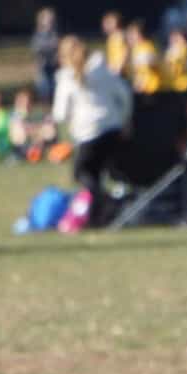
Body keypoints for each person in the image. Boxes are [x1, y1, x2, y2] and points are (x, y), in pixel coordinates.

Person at [43, 34, 134, 228]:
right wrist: (124, 119)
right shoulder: (103, 69)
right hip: (112, 129)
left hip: (89, 133)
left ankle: (106, 203)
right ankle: (98, 218)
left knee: (80, 174)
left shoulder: (67, 78)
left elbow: (60, 113)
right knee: (96, 174)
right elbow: (124, 94)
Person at [30, 7, 61, 102]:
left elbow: (59, 47)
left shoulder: (56, 34)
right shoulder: (38, 35)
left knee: (56, 93)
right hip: (43, 69)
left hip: (55, 68)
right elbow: (37, 49)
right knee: (45, 93)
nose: (49, 22)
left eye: (51, 19)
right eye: (47, 19)